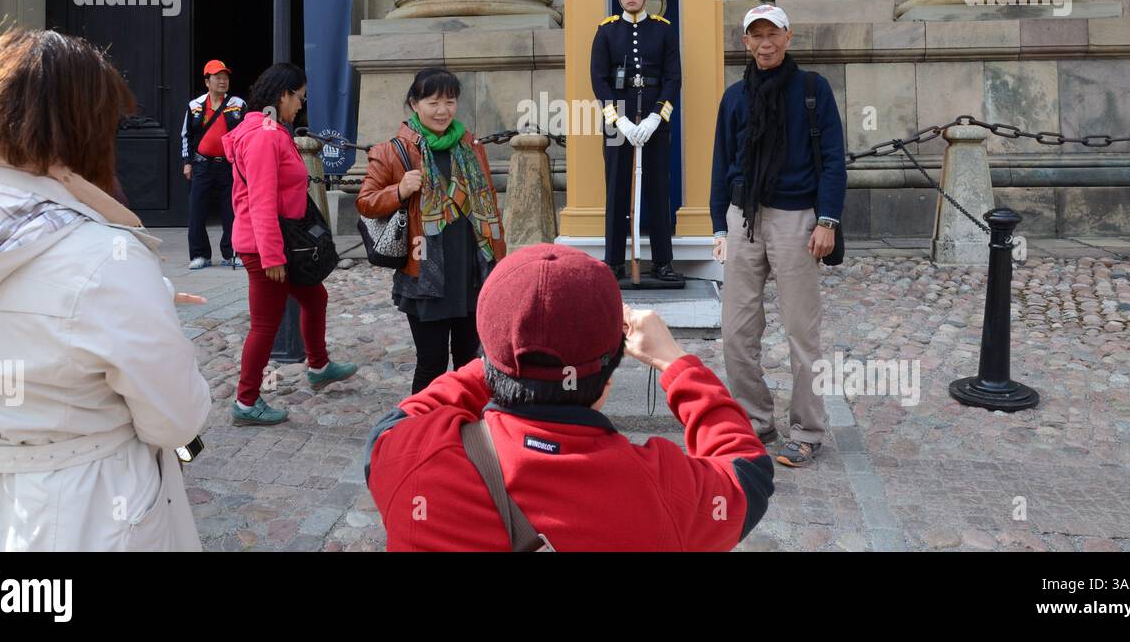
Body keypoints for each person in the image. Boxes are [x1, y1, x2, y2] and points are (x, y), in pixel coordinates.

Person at [0, 29, 211, 550]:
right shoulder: (106, 260)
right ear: (84, 129)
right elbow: (175, 420)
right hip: (84, 511)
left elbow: (21, 304)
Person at [365, 244, 774, 551]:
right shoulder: (659, 491)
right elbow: (749, 475)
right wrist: (674, 361)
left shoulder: (408, 457)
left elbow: (395, 423)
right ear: (609, 381)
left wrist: (506, 352)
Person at [711, 4, 846, 468]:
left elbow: (832, 158)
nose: (765, 43)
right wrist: (717, 224)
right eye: (756, 36)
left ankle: (807, 429)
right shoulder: (734, 97)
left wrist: (827, 219)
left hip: (797, 220)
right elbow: (721, 162)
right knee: (735, 332)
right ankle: (755, 421)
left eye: (773, 34)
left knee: (801, 332)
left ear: (789, 37)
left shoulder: (813, 90)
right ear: (745, 42)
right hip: (743, 217)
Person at [222, 63, 355, 426]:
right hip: (266, 246)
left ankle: (318, 365)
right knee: (265, 326)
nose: (301, 105)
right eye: (300, 97)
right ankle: (246, 402)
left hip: (279, 242)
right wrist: (272, 256)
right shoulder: (265, 136)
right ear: (283, 94)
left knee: (315, 297)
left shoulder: (268, 130)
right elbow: (262, 200)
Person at [357, 68, 506, 393]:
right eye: (433, 102)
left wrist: (498, 262)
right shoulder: (392, 150)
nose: (442, 110)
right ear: (414, 103)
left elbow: (489, 204)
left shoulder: (470, 145)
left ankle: (465, 424)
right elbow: (366, 202)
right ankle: (422, 430)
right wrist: (399, 190)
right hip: (425, 274)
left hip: (470, 272)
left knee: (469, 360)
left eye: (450, 102)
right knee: (432, 361)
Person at [590, 0, 683, 282]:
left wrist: (657, 117)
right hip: (620, 119)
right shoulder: (606, 31)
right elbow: (599, 81)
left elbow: (673, 78)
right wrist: (620, 121)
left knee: (658, 188)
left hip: (654, 117)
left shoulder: (663, 30)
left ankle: (662, 261)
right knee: (617, 186)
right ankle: (613, 260)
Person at [181, 59, 245, 270]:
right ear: (207, 81)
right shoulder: (195, 105)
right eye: (217, 77)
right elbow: (186, 135)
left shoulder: (238, 104)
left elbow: (246, 134)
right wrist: (187, 163)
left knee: (231, 211)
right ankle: (200, 254)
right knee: (197, 210)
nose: (222, 81)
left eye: (225, 77)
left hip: (228, 165)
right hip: (202, 166)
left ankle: (231, 253)